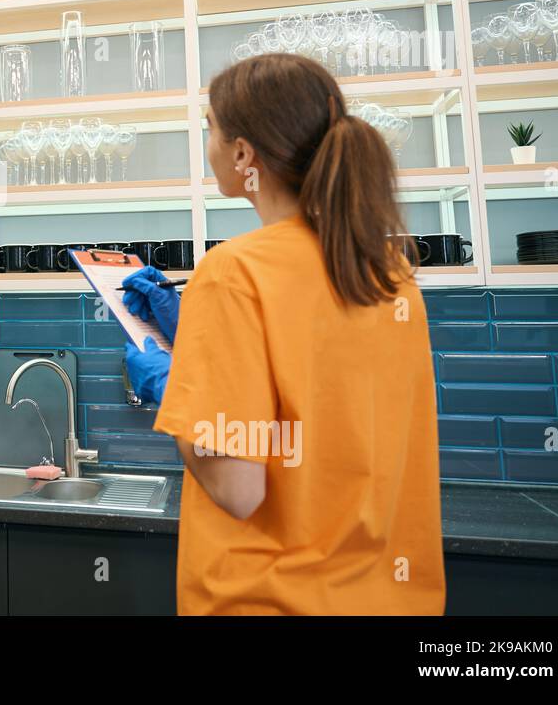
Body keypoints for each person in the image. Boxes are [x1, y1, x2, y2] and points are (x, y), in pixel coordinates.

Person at [122, 53, 444, 615]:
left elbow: (238, 490)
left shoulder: (234, 271)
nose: (208, 146)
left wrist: (173, 386)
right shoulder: (388, 274)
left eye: (211, 130)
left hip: (271, 600)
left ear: (242, 154)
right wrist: (199, 343)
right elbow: (319, 396)